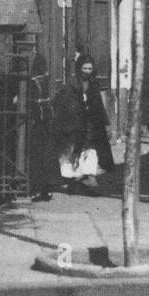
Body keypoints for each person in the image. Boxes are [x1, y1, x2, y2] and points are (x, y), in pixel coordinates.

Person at [52, 53, 114, 195]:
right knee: (73, 152)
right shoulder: (72, 83)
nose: (87, 71)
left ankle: (87, 179)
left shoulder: (94, 84)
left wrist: (105, 123)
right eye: (85, 68)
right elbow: (67, 104)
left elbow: (98, 104)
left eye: (89, 68)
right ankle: (74, 181)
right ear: (80, 68)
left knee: (90, 150)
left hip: (90, 124)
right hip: (75, 124)